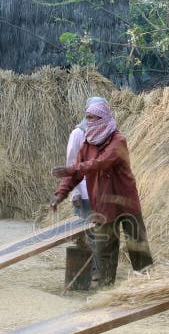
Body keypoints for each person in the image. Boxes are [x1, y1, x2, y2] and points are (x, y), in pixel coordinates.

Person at [50, 100, 153, 286]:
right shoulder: (87, 144)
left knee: (138, 246)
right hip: (104, 205)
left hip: (126, 202)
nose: (88, 121)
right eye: (87, 117)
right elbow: (77, 174)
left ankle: (148, 285)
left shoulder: (118, 140)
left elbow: (101, 163)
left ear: (103, 118)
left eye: (92, 117)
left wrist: (70, 169)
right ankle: (106, 291)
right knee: (105, 249)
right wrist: (60, 194)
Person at [66, 96, 105, 280]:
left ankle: (100, 269)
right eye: (92, 114)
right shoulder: (78, 134)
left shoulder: (108, 133)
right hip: (85, 193)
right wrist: (73, 191)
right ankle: (93, 271)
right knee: (90, 234)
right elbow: (71, 164)